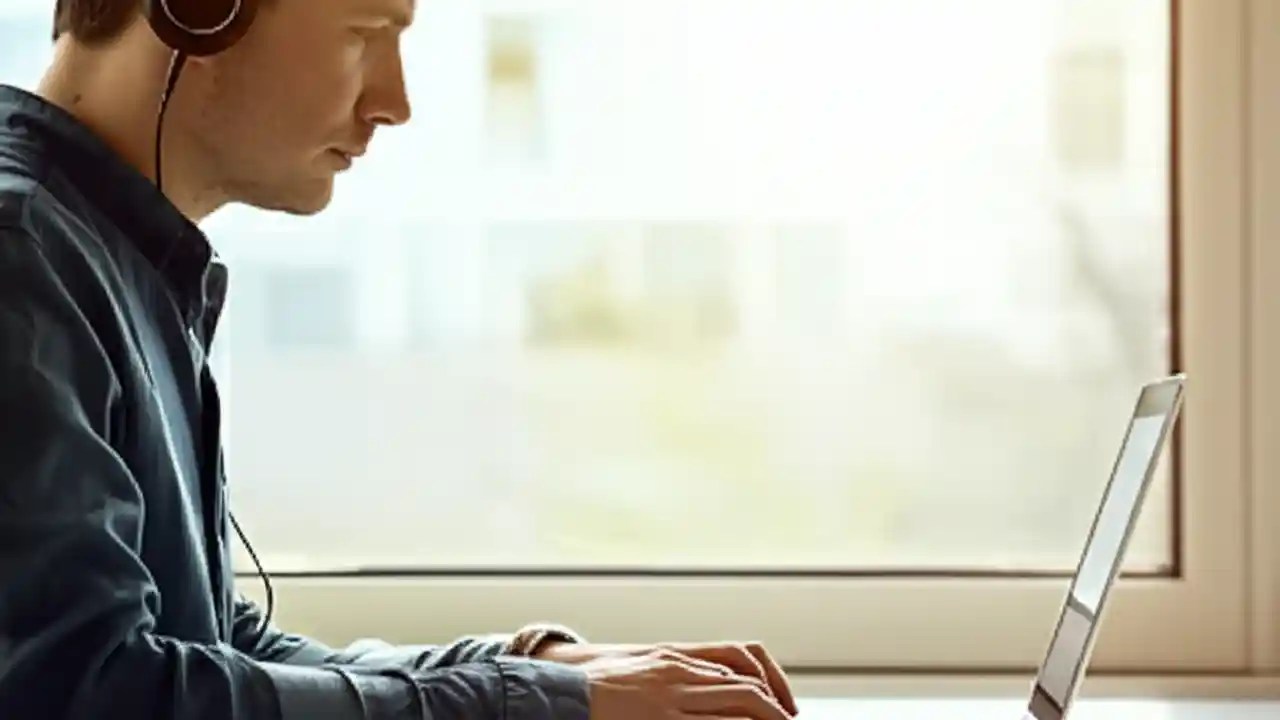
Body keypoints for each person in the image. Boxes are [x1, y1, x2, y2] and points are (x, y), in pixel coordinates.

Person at [0, 0, 801, 719]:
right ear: (202, 11)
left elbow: (214, 647)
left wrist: (540, 673)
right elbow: (91, 691)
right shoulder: (21, 266)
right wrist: (533, 704)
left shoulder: (105, 258)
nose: (395, 101)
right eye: (365, 33)